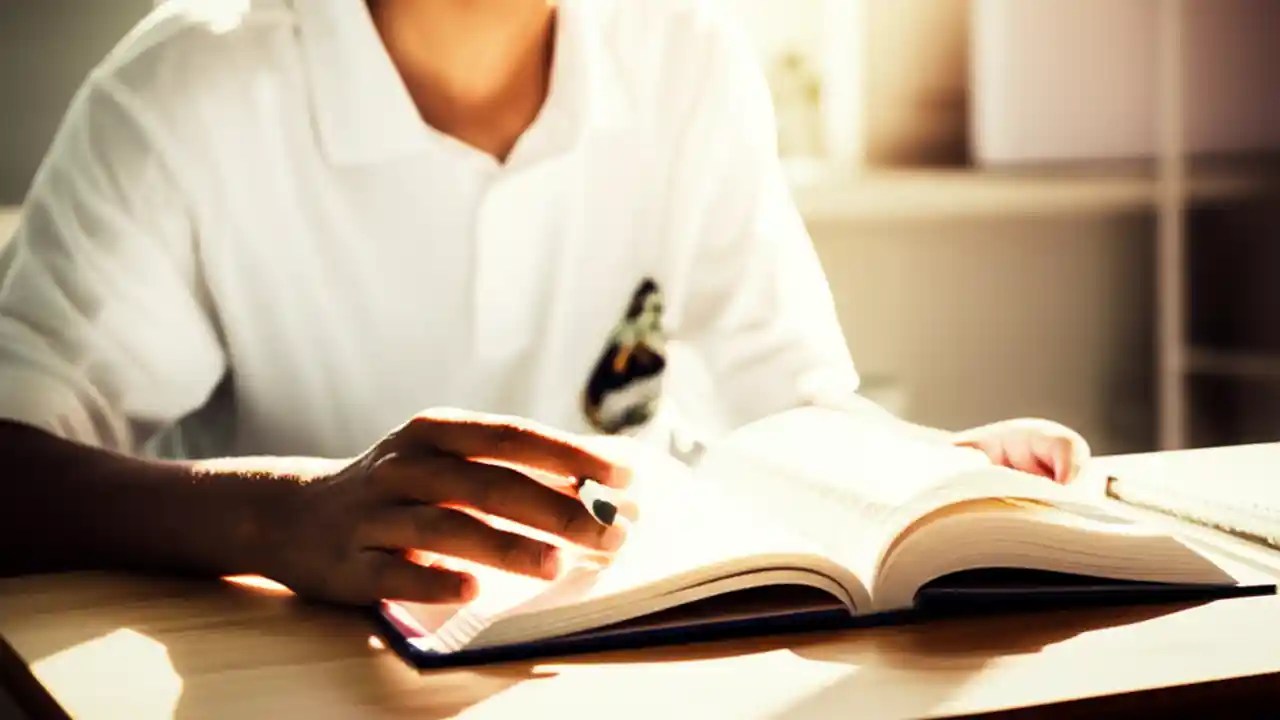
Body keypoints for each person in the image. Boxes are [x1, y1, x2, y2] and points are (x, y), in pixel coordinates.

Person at [0, 0, 1088, 606]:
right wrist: (281, 518)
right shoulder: (189, 89)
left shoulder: (685, 57)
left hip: (608, 658)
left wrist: (920, 472)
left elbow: (786, 399)